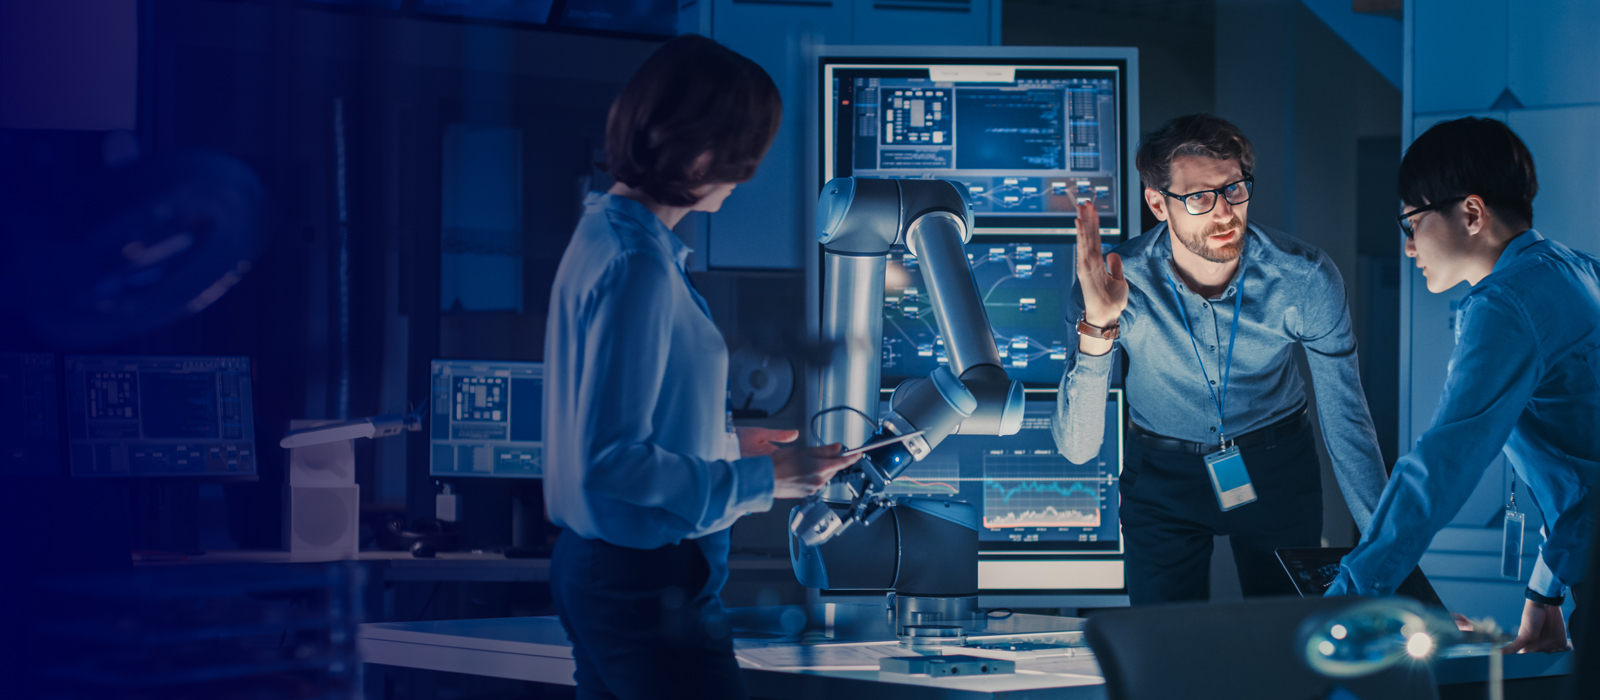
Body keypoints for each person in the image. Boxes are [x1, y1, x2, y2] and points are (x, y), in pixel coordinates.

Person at [542, 35, 855, 699]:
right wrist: (760, 479)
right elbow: (611, 460)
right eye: (749, 153)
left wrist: (724, 444)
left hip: (605, 571)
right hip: (645, 580)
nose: (748, 175)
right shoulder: (639, 267)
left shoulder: (607, 234)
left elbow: (618, 426)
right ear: (707, 151)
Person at [1053, 114, 1388, 605]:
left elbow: (1347, 422)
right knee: (1164, 651)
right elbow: (1078, 447)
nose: (1224, 213)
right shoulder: (1110, 285)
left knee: (1284, 644)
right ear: (1157, 204)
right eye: (1199, 198)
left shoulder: (1304, 278)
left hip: (1276, 466)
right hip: (1161, 474)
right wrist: (1099, 327)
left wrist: (1388, 554)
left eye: (1234, 190)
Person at [1325, 117, 1600, 654]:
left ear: (1472, 213)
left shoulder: (1504, 303)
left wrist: (1346, 600)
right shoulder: (1579, 270)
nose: (1408, 247)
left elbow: (1444, 463)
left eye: (1411, 223)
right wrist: (1544, 595)